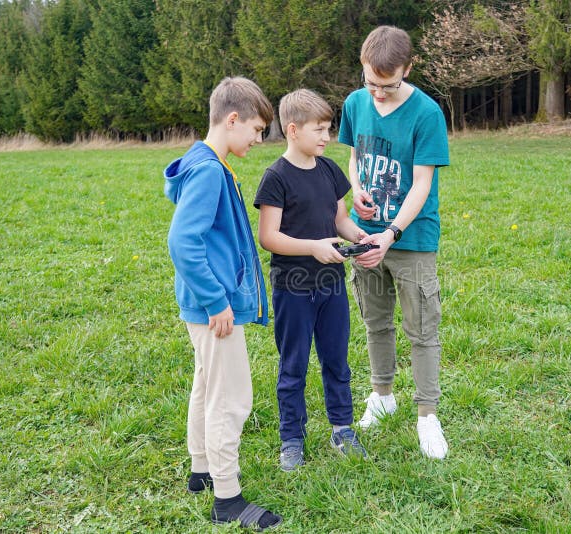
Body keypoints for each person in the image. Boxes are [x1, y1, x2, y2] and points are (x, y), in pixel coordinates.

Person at [164, 76, 282, 530]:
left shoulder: (205, 161)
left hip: (204, 305)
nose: (257, 139)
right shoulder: (210, 170)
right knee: (230, 398)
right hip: (215, 308)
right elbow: (182, 241)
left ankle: (202, 469)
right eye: (255, 130)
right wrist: (217, 301)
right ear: (232, 119)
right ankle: (227, 498)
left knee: (206, 385)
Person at [338, 26, 451, 459]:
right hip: (364, 234)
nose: (378, 94)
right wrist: (356, 191)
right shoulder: (354, 103)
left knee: (422, 329)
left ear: (409, 68)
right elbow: (354, 156)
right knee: (375, 321)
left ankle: (427, 415)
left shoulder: (427, 113)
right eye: (371, 83)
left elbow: (422, 184)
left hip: (411, 237)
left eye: (388, 85)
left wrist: (392, 234)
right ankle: (382, 396)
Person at [254, 89, 368, 472]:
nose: (326, 137)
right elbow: (268, 237)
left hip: (332, 286)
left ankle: (342, 428)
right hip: (293, 289)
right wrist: (312, 248)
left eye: (328, 129)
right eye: (318, 129)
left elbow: (340, 220)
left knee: (337, 360)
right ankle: (291, 439)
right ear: (292, 130)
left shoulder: (329, 170)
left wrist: (358, 238)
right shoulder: (276, 178)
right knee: (294, 366)